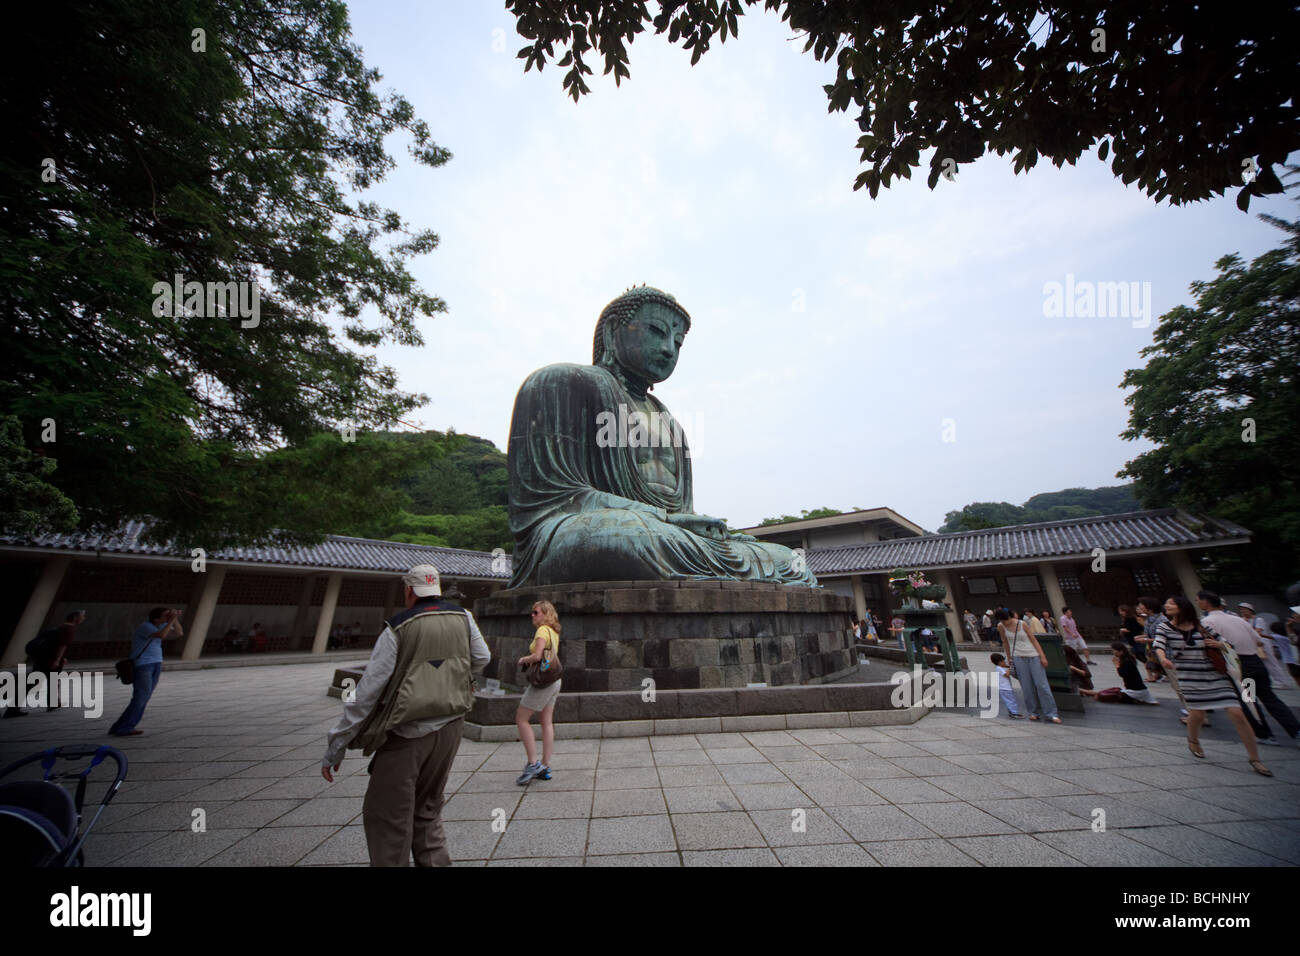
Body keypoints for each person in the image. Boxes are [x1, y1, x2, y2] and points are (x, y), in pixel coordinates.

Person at [321, 564, 491, 866]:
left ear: (409, 591)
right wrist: (450, 676)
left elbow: (368, 692)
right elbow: (482, 657)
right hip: (451, 727)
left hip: (407, 732)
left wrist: (337, 744)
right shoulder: (462, 616)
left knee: (388, 817)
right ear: (437, 588)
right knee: (427, 811)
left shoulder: (399, 626)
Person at [1154, 595, 1271, 776]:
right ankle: (1193, 739)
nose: (1166, 605)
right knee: (1197, 714)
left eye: (1171, 603)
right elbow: (1159, 644)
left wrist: (1218, 644)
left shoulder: (1201, 626)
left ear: (1182, 607)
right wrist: (1163, 659)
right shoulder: (1165, 627)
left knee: (1237, 713)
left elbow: (1228, 644)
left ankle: (1255, 758)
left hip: (1215, 674)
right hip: (1189, 675)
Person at [1197, 591, 1299, 748]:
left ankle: (1264, 734)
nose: (1198, 603)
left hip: (1239, 663)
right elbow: (1259, 642)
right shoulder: (1239, 620)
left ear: (1205, 602)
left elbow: (1208, 644)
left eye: (1199, 600)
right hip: (1255, 661)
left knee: (1249, 700)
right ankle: (1296, 731)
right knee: (1270, 698)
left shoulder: (1208, 622)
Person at [109, 607, 183, 736]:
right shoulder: (146, 626)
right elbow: (162, 635)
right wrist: (171, 620)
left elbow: (179, 633)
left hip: (156, 663)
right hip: (143, 665)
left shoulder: (162, 625)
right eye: (165, 616)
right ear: (156, 618)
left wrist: (174, 619)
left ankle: (119, 726)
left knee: (144, 697)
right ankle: (124, 727)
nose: (167, 618)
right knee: (140, 698)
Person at [515, 600, 563, 786]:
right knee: (546, 722)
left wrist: (523, 659)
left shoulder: (542, 630)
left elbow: (537, 656)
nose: (532, 615)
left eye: (536, 612)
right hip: (555, 680)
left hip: (542, 683)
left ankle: (533, 762)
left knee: (521, 719)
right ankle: (545, 765)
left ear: (545, 614)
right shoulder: (554, 631)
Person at [997, 608, 1060, 723]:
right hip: (1017, 657)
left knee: (1042, 685)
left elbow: (1034, 640)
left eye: (1007, 620)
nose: (1006, 622)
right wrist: (1009, 658)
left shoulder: (1022, 624)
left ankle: (1051, 713)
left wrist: (1042, 656)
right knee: (1026, 687)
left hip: (1033, 655)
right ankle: (1033, 712)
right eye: (1003, 620)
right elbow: (1005, 642)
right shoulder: (1001, 626)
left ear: (1010, 616)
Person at [1080, 642, 1159, 704]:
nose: (1113, 652)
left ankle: (1082, 691)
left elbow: (1122, 674)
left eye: (1114, 650)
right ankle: (1082, 691)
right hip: (1132, 690)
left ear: (1121, 651)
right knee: (1106, 692)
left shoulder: (1127, 661)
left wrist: (1116, 664)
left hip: (1135, 691)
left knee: (1102, 695)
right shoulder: (1128, 659)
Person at [1134, 596, 1166, 682]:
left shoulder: (1161, 620)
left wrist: (1145, 640)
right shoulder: (1148, 619)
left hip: (1164, 651)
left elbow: (1163, 638)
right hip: (1153, 650)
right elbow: (1148, 634)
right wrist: (1141, 637)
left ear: (1149, 607)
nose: (1139, 607)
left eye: (1142, 605)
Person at [990, 653, 1020, 718]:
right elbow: (1007, 675)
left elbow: (1005, 667)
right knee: (1011, 700)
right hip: (1005, 688)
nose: (1005, 663)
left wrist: (1008, 666)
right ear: (1000, 662)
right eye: (1004, 661)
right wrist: (1010, 668)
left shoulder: (999, 668)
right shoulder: (999, 669)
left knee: (1009, 701)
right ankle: (1014, 713)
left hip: (1004, 688)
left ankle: (1011, 712)